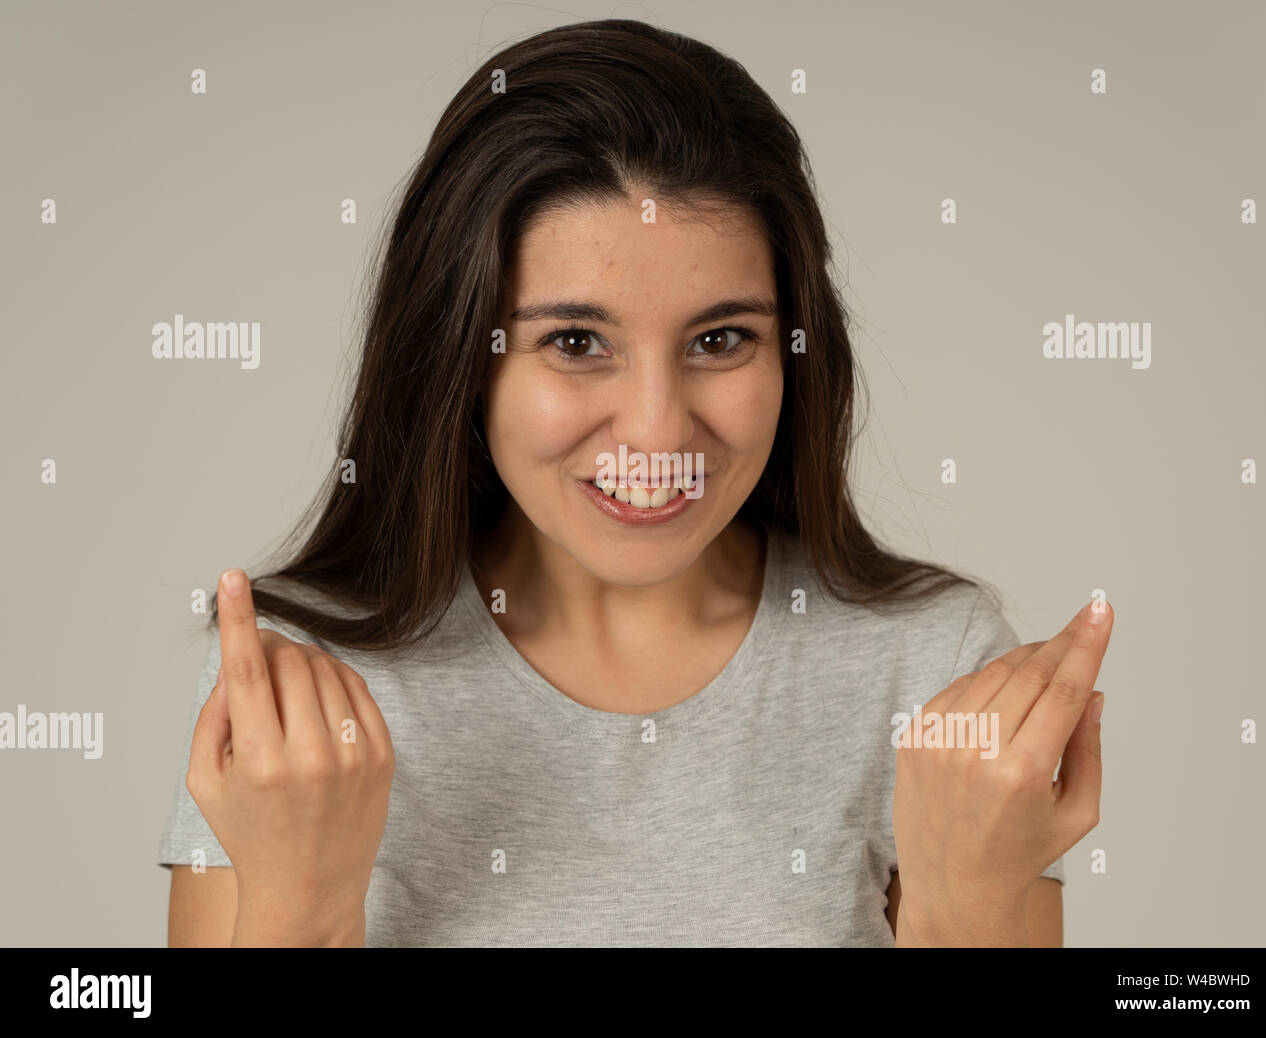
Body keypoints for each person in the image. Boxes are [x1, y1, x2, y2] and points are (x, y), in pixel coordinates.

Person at [157, 18, 1110, 947]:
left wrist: (965, 902)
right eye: (575, 342)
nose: (658, 426)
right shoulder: (294, 683)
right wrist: (301, 905)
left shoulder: (928, 666)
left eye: (719, 339)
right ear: (460, 357)